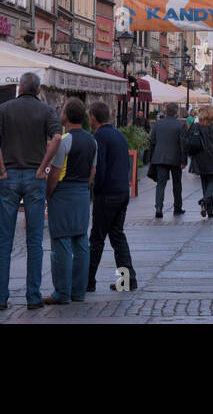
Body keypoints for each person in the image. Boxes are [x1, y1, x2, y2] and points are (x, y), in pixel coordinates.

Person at [0, 72, 62, 310]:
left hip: (8, 176)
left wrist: (1, 168)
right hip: (35, 176)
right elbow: (57, 137)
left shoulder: (5, 108)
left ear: (20, 87)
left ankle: (0, 298)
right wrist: (44, 167)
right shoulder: (46, 111)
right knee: (34, 241)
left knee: (3, 240)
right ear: (38, 90)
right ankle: (32, 297)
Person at [37, 97, 97, 306]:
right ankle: (78, 291)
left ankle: (62, 292)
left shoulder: (64, 141)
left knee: (61, 242)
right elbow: (92, 171)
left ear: (65, 116)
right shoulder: (92, 140)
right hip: (82, 193)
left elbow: (54, 173)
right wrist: (84, 187)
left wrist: (49, 193)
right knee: (81, 242)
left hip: (64, 194)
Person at [87, 101, 136, 293]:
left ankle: (88, 281)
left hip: (107, 193)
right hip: (122, 191)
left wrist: (94, 189)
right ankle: (127, 279)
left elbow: (100, 169)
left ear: (93, 117)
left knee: (97, 239)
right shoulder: (118, 135)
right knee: (117, 237)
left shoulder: (99, 136)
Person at [147, 102, 188, 217]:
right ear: (176, 112)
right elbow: (183, 145)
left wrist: (151, 158)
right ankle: (177, 207)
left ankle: (159, 207)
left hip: (160, 158)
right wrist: (183, 161)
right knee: (177, 183)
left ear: (166, 111)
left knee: (160, 184)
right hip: (175, 158)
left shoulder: (157, 124)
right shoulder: (180, 125)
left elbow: (152, 142)